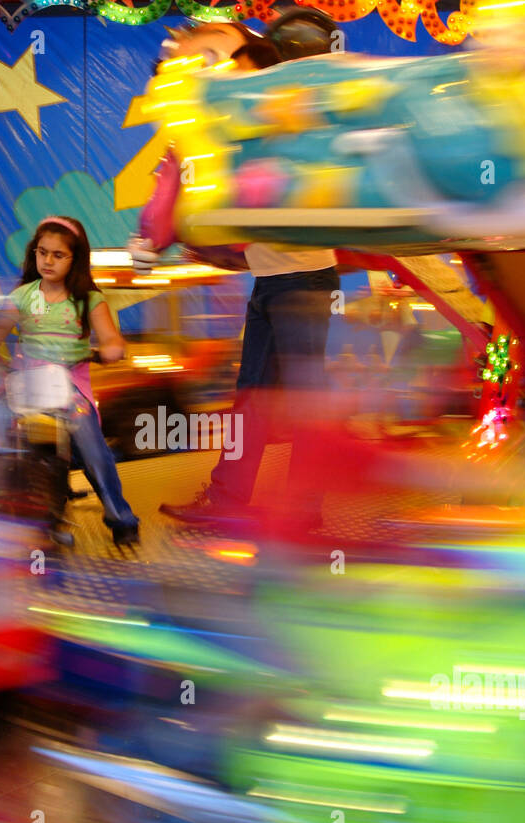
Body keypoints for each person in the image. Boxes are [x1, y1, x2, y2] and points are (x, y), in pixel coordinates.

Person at [132, 14, 341, 532]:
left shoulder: (288, 115)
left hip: (304, 280)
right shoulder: (246, 116)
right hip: (275, 279)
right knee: (254, 399)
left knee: (301, 400)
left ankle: (302, 505)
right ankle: (236, 495)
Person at [0, 215, 140, 546]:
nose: (48, 261)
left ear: (75, 259)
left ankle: (119, 514)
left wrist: (110, 348)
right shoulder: (22, 296)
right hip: (26, 385)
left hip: (67, 389)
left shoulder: (88, 299)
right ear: (34, 254)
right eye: (42, 252)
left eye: (58, 255)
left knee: (92, 446)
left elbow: (111, 338)